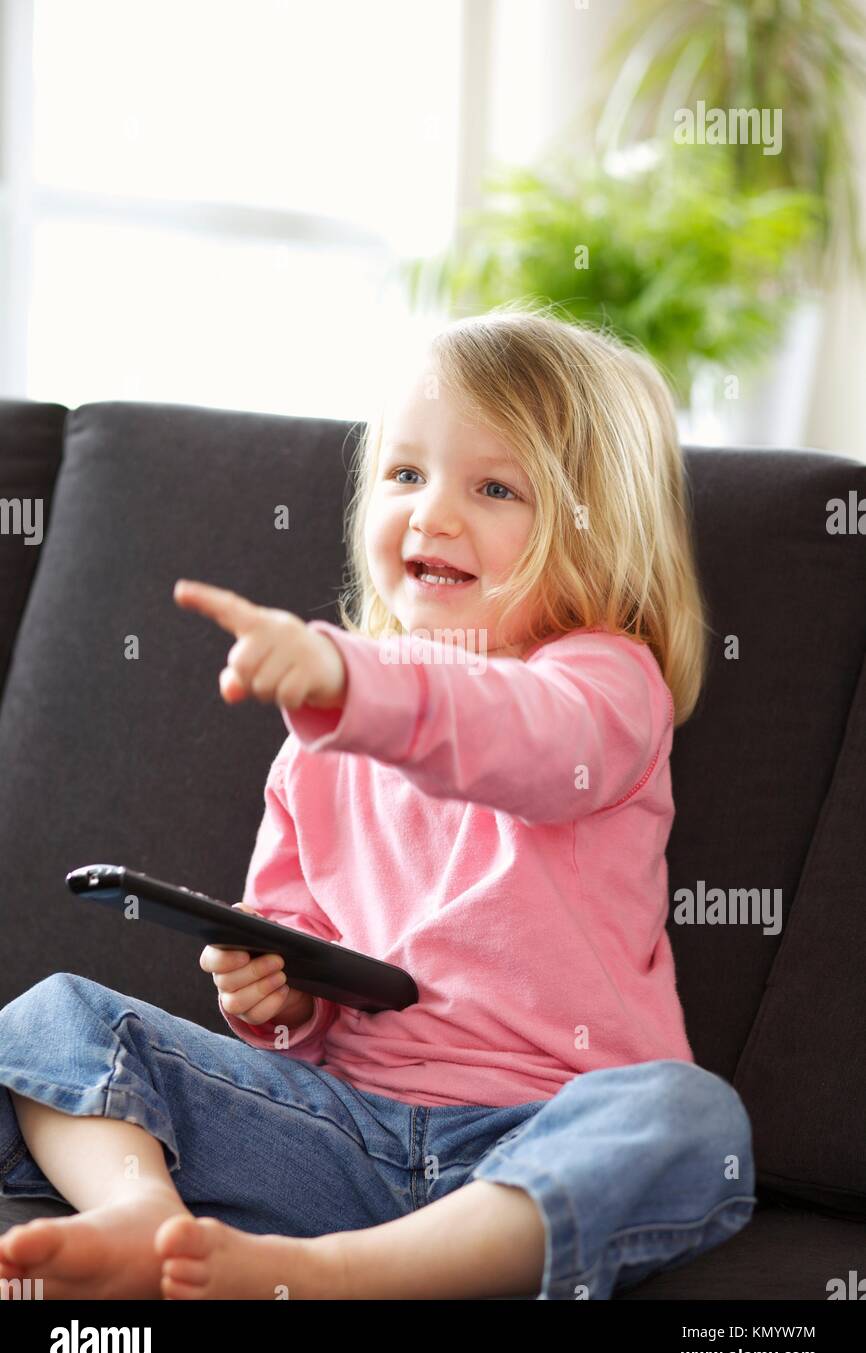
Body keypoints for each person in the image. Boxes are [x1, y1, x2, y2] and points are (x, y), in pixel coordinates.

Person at [0, 306, 756, 1300]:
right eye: (405, 475)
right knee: (51, 1018)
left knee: (692, 1116)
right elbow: (303, 943)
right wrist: (280, 1000)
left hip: (533, 1139)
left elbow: (514, 733)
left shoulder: (606, 686)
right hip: (339, 1131)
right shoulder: (321, 737)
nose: (430, 515)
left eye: (492, 487)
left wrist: (353, 681)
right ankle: (145, 1221)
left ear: (593, 533)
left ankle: (337, 1277)